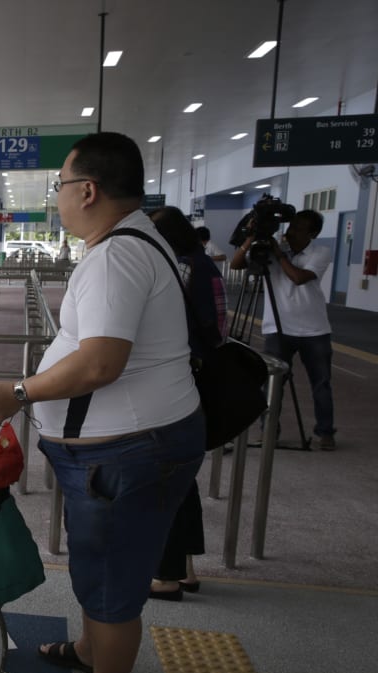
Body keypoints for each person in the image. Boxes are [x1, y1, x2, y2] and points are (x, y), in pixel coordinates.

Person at [0, 132, 205, 673]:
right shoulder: (134, 241)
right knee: (98, 569)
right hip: (131, 448)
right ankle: (88, 651)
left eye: (61, 185)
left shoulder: (115, 256)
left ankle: (104, 659)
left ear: (89, 190)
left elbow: (100, 363)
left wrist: (18, 393)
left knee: (111, 588)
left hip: (125, 454)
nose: (58, 196)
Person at [147, 206, 227, 601]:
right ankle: (186, 569)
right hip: (195, 375)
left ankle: (167, 574)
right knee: (182, 474)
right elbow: (217, 328)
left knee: (164, 474)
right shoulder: (204, 265)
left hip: (175, 379)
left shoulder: (178, 268)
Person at [229, 210, 336, 450]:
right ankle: (269, 431)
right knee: (272, 385)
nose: (290, 232)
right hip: (277, 329)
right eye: (291, 226)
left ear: (313, 233)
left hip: (314, 330)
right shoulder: (269, 251)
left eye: (298, 228)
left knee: (321, 383)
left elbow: (299, 277)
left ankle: (326, 432)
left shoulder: (320, 252)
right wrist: (251, 238)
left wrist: (279, 254)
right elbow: (236, 264)